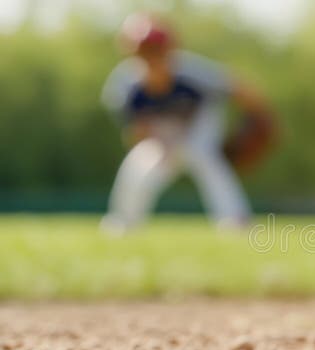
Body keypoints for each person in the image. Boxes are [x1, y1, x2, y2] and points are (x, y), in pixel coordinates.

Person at [101, 13, 265, 233]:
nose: (151, 58)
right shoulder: (125, 85)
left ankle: (235, 219)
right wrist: (154, 142)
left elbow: (238, 86)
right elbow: (136, 130)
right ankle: (124, 222)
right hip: (162, 129)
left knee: (203, 157)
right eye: (144, 52)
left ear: (170, 50)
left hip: (200, 122)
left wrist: (260, 115)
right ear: (132, 54)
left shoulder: (190, 70)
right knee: (140, 164)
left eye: (157, 51)